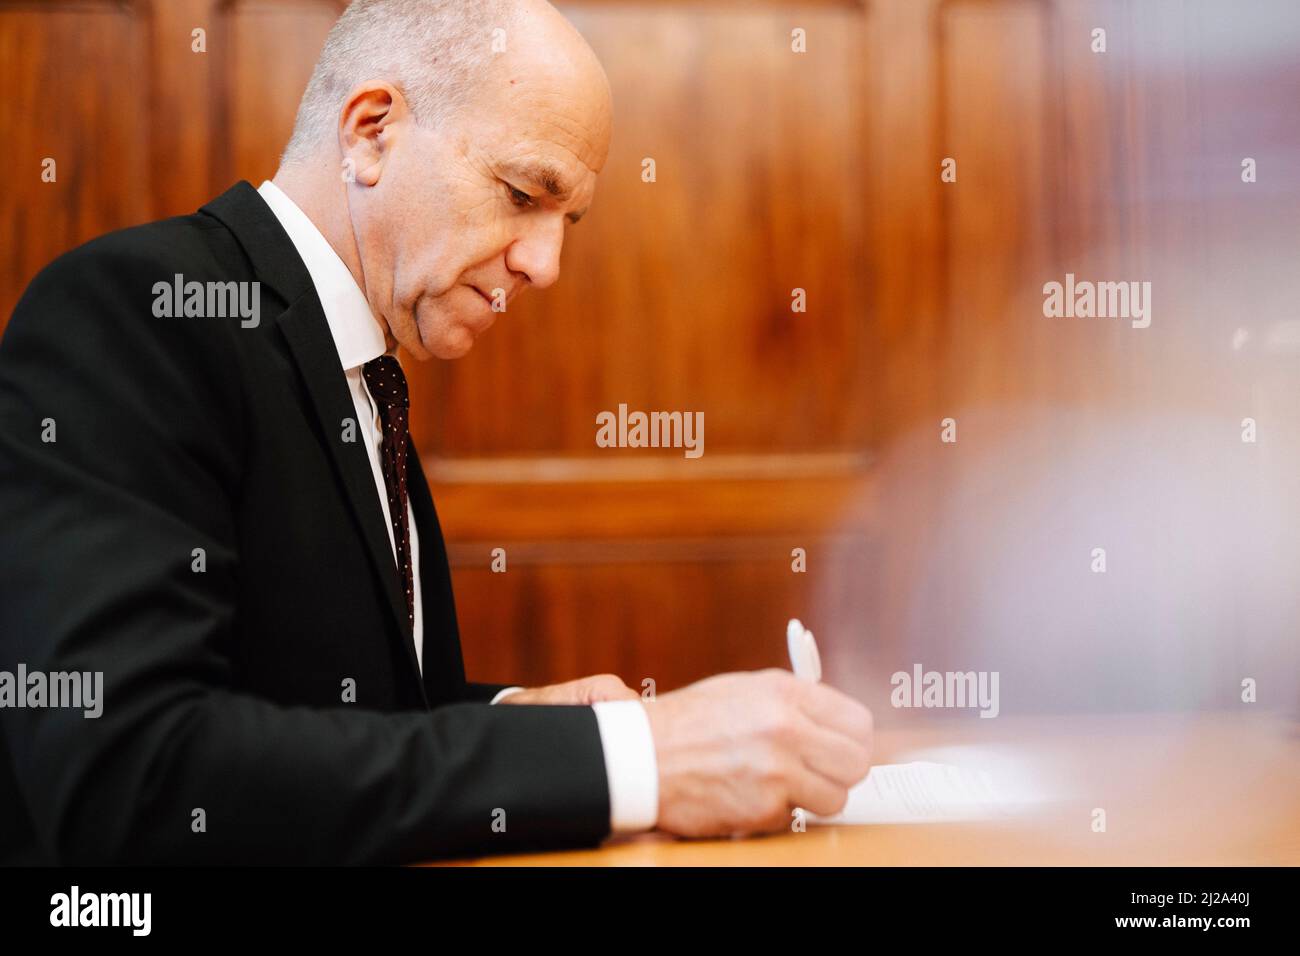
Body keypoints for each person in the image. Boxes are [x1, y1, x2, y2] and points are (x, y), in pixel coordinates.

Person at [0, 0, 872, 864]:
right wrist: (636, 762)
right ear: (371, 131)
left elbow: (332, 717)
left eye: (564, 221)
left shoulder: (364, 364)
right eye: (524, 193)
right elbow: (129, 774)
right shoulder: (138, 310)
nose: (545, 263)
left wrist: (508, 726)